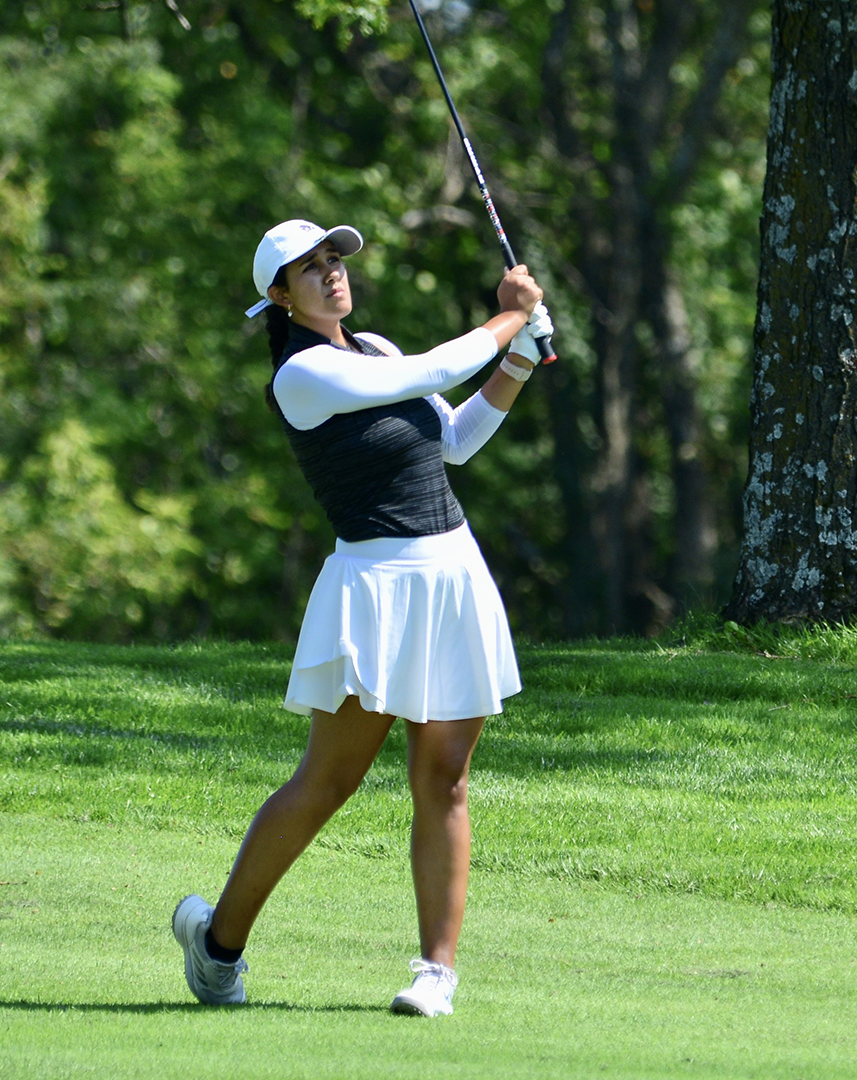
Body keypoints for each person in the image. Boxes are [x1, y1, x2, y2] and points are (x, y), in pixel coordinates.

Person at [171, 218, 552, 1018]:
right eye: (309, 269)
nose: (331, 274)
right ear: (279, 296)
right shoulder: (301, 376)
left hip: (451, 575)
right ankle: (216, 948)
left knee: (444, 777)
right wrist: (509, 315)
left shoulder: (373, 350)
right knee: (330, 780)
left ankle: (435, 974)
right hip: (373, 587)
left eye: (334, 260)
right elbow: (441, 364)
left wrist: (517, 359)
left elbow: (453, 443)